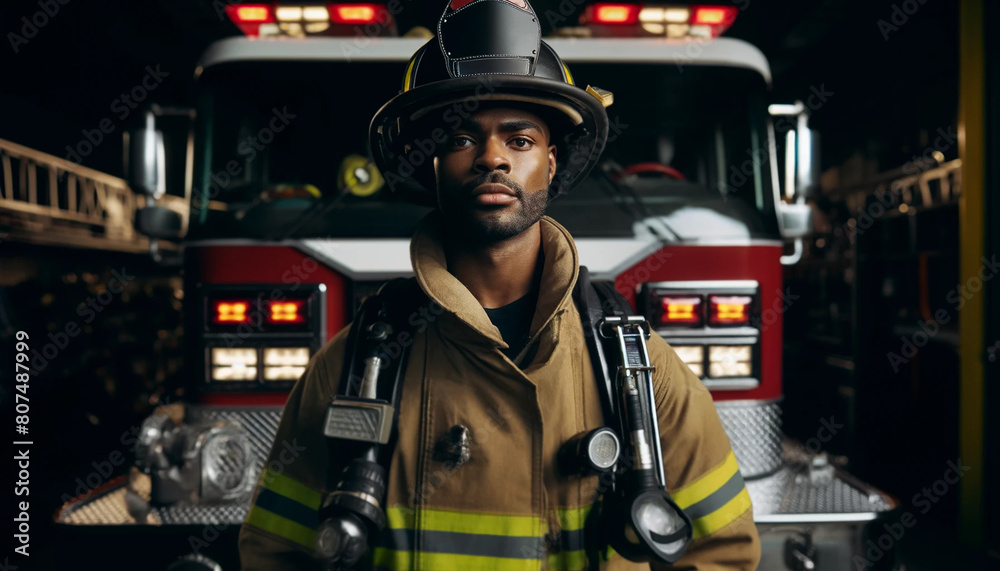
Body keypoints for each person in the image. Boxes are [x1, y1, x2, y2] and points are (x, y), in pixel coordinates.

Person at [239, 0, 760, 568]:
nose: (493, 158)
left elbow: (719, 554)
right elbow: (277, 554)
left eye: (519, 140)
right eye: (461, 139)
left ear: (552, 163)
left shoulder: (641, 374)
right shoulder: (350, 370)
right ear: (430, 166)